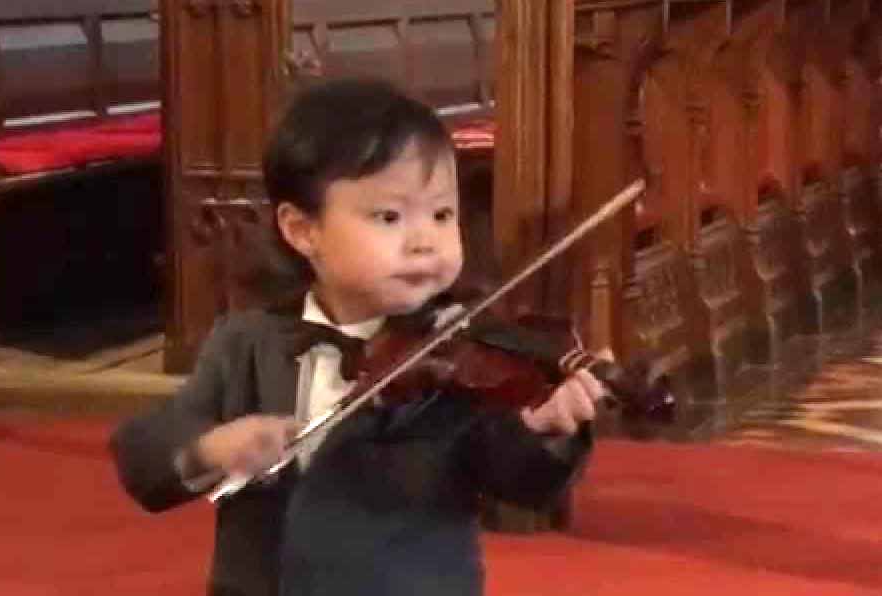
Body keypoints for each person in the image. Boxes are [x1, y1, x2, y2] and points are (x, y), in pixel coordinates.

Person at [111, 78, 604, 596]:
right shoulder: (245, 343)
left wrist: (548, 431)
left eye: (442, 214)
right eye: (389, 217)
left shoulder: (460, 357)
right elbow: (143, 456)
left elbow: (520, 483)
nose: (424, 241)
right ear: (303, 230)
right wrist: (209, 448)